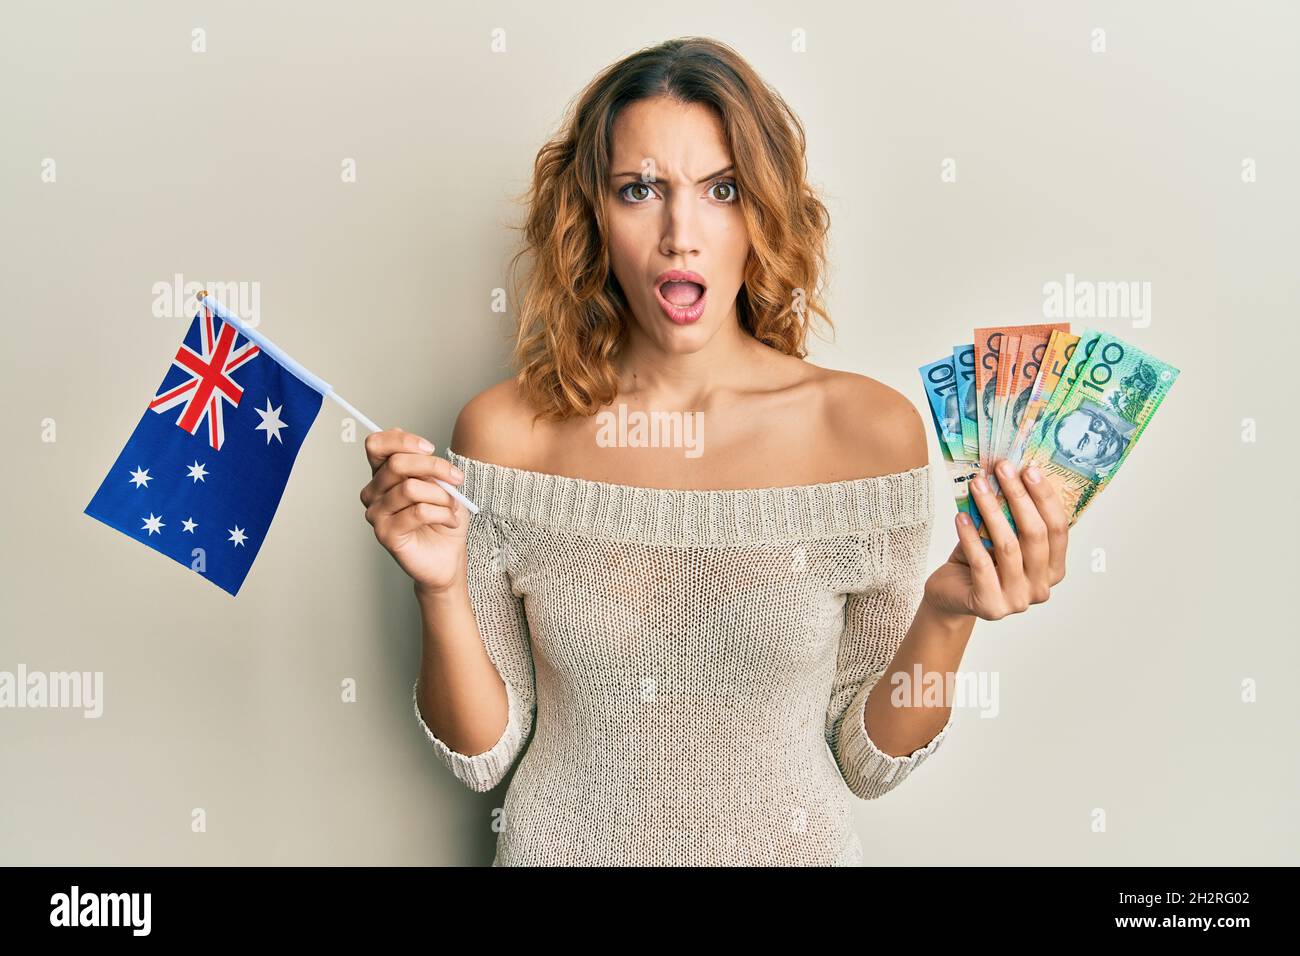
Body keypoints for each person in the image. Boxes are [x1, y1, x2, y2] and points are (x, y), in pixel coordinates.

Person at [359, 37, 1070, 866]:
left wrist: (948, 614)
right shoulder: (505, 432)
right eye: (639, 190)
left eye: (721, 190)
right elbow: (484, 754)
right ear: (591, 215)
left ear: (764, 212)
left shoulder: (866, 432)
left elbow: (868, 762)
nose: (679, 234)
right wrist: (438, 587)